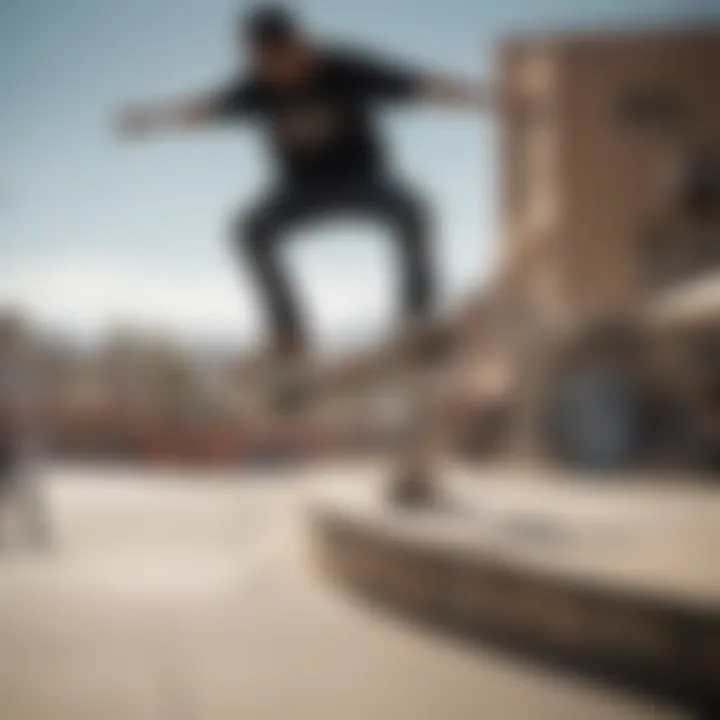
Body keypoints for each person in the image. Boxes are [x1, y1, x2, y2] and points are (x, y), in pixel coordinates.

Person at [117, 4, 503, 364]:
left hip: (363, 181)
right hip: (300, 192)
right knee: (250, 229)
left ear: (299, 45)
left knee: (413, 209)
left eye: (281, 60)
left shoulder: (344, 68)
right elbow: (204, 109)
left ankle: (417, 321)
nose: (277, 72)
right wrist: (152, 119)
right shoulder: (257, 87)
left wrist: (486, 98)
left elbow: (419, 86)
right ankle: (290, 333)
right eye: (265, 64)